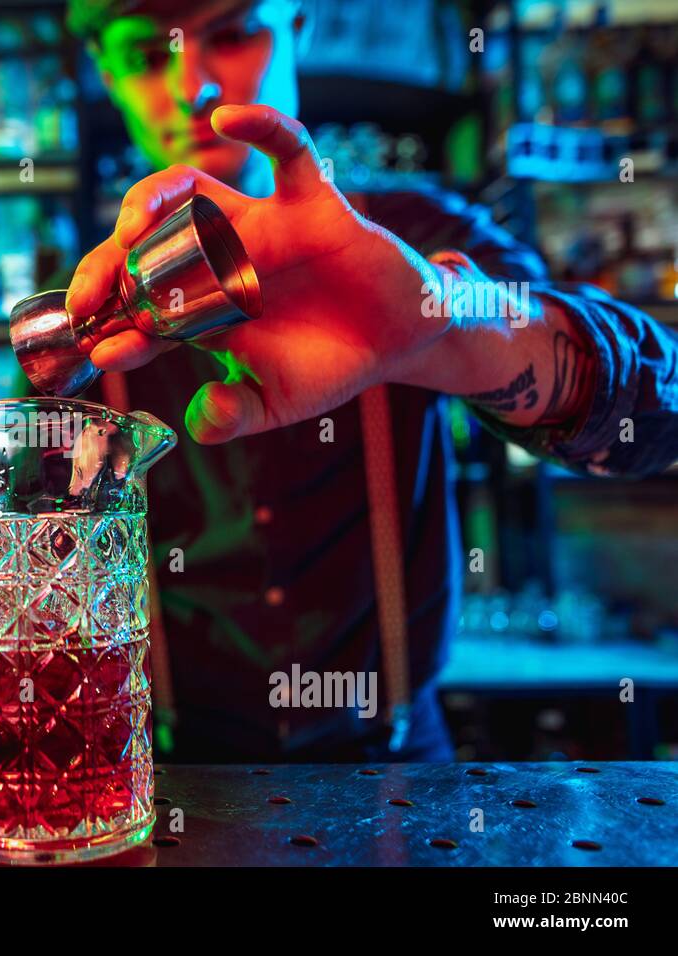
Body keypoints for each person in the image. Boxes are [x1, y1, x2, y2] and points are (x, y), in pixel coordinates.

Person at [61, 0, 678, 761]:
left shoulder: (412, 237)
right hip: (176, 777)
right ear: (105, 72)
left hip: (399, 771)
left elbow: (655, 413)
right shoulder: (90, 313)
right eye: (147, 55)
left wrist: (445, 322)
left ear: (298, 26)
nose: (193, 88)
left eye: (231, 34)